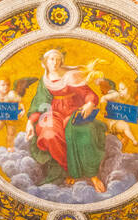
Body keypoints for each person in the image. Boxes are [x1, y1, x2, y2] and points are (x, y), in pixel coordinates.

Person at [22, 48, 107, 193]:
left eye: (57, 59)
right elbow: (39, 103)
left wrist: (89, 104)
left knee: (84, 132)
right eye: (51, 59)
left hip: (73, 110)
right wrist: (30, 122)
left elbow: (88, 94)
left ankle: (92, 175)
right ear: (45, 62)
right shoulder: (44, 81)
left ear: (62, 61)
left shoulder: (70, 76)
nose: (54, 62)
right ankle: (70, 170)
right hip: (52, 112)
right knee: (49, 135)